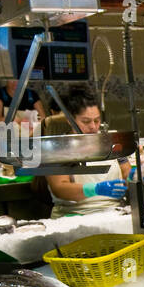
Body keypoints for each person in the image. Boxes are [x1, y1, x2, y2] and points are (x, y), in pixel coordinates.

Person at [43, 84, 132, 217]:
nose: (93, 126)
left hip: (115, 213)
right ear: (70, 120)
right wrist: (95, 189)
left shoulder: (111, 142)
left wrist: (134, 177)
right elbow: (59, 188)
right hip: (73, 217)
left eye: (96, 120)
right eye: (86, 121)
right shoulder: (57, 148)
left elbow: (126, 173)